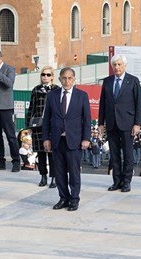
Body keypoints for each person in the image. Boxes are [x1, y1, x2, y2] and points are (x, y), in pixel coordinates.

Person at [43, 67, 92, 212]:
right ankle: (63, 198)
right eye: (64, 78)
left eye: (70, 78)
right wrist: (46, 138)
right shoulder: (52, 95)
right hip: (57, 140)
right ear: (59, 79)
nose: (67, 81)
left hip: (74, 140)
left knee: (74, 172)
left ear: (74, 79)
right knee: (59, 172)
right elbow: (46, 119)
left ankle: (74, 199)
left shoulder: (82, 96)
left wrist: (86, 138)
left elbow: (87, 119)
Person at [100, 56, 141, 192]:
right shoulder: (107, 81)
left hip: (127, 123)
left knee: (128, 154)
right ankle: (116, 181)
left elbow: (139, 104)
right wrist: (101, 123)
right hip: (112, 123)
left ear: (125, 65)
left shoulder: (133, 80)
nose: (117, 67)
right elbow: (102, 103)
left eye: (119, 64)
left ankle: (126, 182)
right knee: (114, 154)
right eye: (114, 65)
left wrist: (137, 124)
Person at [27, 67, 57, 187]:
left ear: (52, 76)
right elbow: (31, 108)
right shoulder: (36, 90)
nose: (45, 77)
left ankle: (54, 178)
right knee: (41, 153)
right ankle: (43, 176)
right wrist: (28, 125)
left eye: (48, 75)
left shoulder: (56, 89)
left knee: (52, 153)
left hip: (53, 125)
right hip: (38, 125)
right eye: (43, 74)